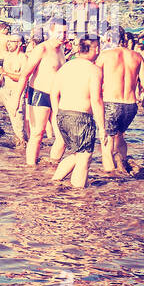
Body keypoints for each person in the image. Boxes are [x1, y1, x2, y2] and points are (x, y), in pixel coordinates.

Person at [97, 30, 144, 175]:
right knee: (120, 136)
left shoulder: (105, 55)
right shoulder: (137, 56)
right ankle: (122, 165)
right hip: (130, 106)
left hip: (111, 103)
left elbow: (95, 80)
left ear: (109, 38)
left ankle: (112, 175)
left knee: (107, 141)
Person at [49, 36, 106, 189]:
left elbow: (53, 94)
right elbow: (96, 100)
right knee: (84, 158)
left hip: (63, 115)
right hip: (81, 118)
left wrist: (56, 115)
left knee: (76, 154)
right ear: (96, 49)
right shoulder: (94, 70)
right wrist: (102, 127)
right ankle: (77, 197)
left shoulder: (65, 67)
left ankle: (54, 182)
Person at [16, 24, 67, 165]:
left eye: (65, 32)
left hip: (57, 97)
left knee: (62, 137)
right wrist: (16, 99)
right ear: (51, 31)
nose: (63, 36)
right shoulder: (42, 49)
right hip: (39, 94)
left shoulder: (61, 49)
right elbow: (24, 75)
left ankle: (52, 166)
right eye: (59, 32)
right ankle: (31, 170)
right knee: (37, 134)